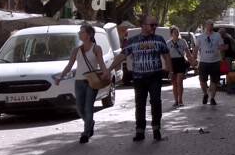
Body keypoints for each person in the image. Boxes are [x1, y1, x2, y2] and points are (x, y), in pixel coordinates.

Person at [104, 14, 171, 142]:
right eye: (152, 25)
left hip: (155, 77)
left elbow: (166, 55)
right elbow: (122, 55)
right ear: (143, 26)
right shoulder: (132, 41)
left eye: (155, 25)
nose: (154, 27)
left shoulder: (159, 39)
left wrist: (170, 70)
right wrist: (109, 68)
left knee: (156, 102)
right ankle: (140, 131)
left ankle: (156, 129)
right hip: (139, 78)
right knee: (140, 104)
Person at [54, 23, 108, 143]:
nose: (79, 34)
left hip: (92, 81)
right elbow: (69, 66)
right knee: (79, 107)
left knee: (88, 107)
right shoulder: (76, 50)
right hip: (79, 81)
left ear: (89, 35)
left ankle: (85, 133)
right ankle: (90, 123)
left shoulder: (96, 48)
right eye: (79, 32)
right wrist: (60, 77)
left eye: (82, 32)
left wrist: (106, 73)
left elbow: (101, 63)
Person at [194, 21, 225, 105]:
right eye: (209, 24)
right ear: (205, 26)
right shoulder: (200, 37)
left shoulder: (217, 35)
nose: (210, 26)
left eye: (212, 24)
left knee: (214, 81)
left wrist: (222, 51)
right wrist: (194, 59)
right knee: (202, 81)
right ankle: (205, 94)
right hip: (204, 62)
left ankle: (212, 98)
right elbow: (196, 49)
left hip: (215, 61)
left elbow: (222, 46)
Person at [167, 26, 192, 107]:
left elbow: (188, 53)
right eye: (174, 32)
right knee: (174, 84)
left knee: (179, 82)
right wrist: (167, 66)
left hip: (180, 62)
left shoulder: (182, 41)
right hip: (172, 63)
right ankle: (176, 101)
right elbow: (166, 56)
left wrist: (192, 61)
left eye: (177, 32)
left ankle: (180, 100)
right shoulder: (168, 43)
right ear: (171, 34)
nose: (176, 34)